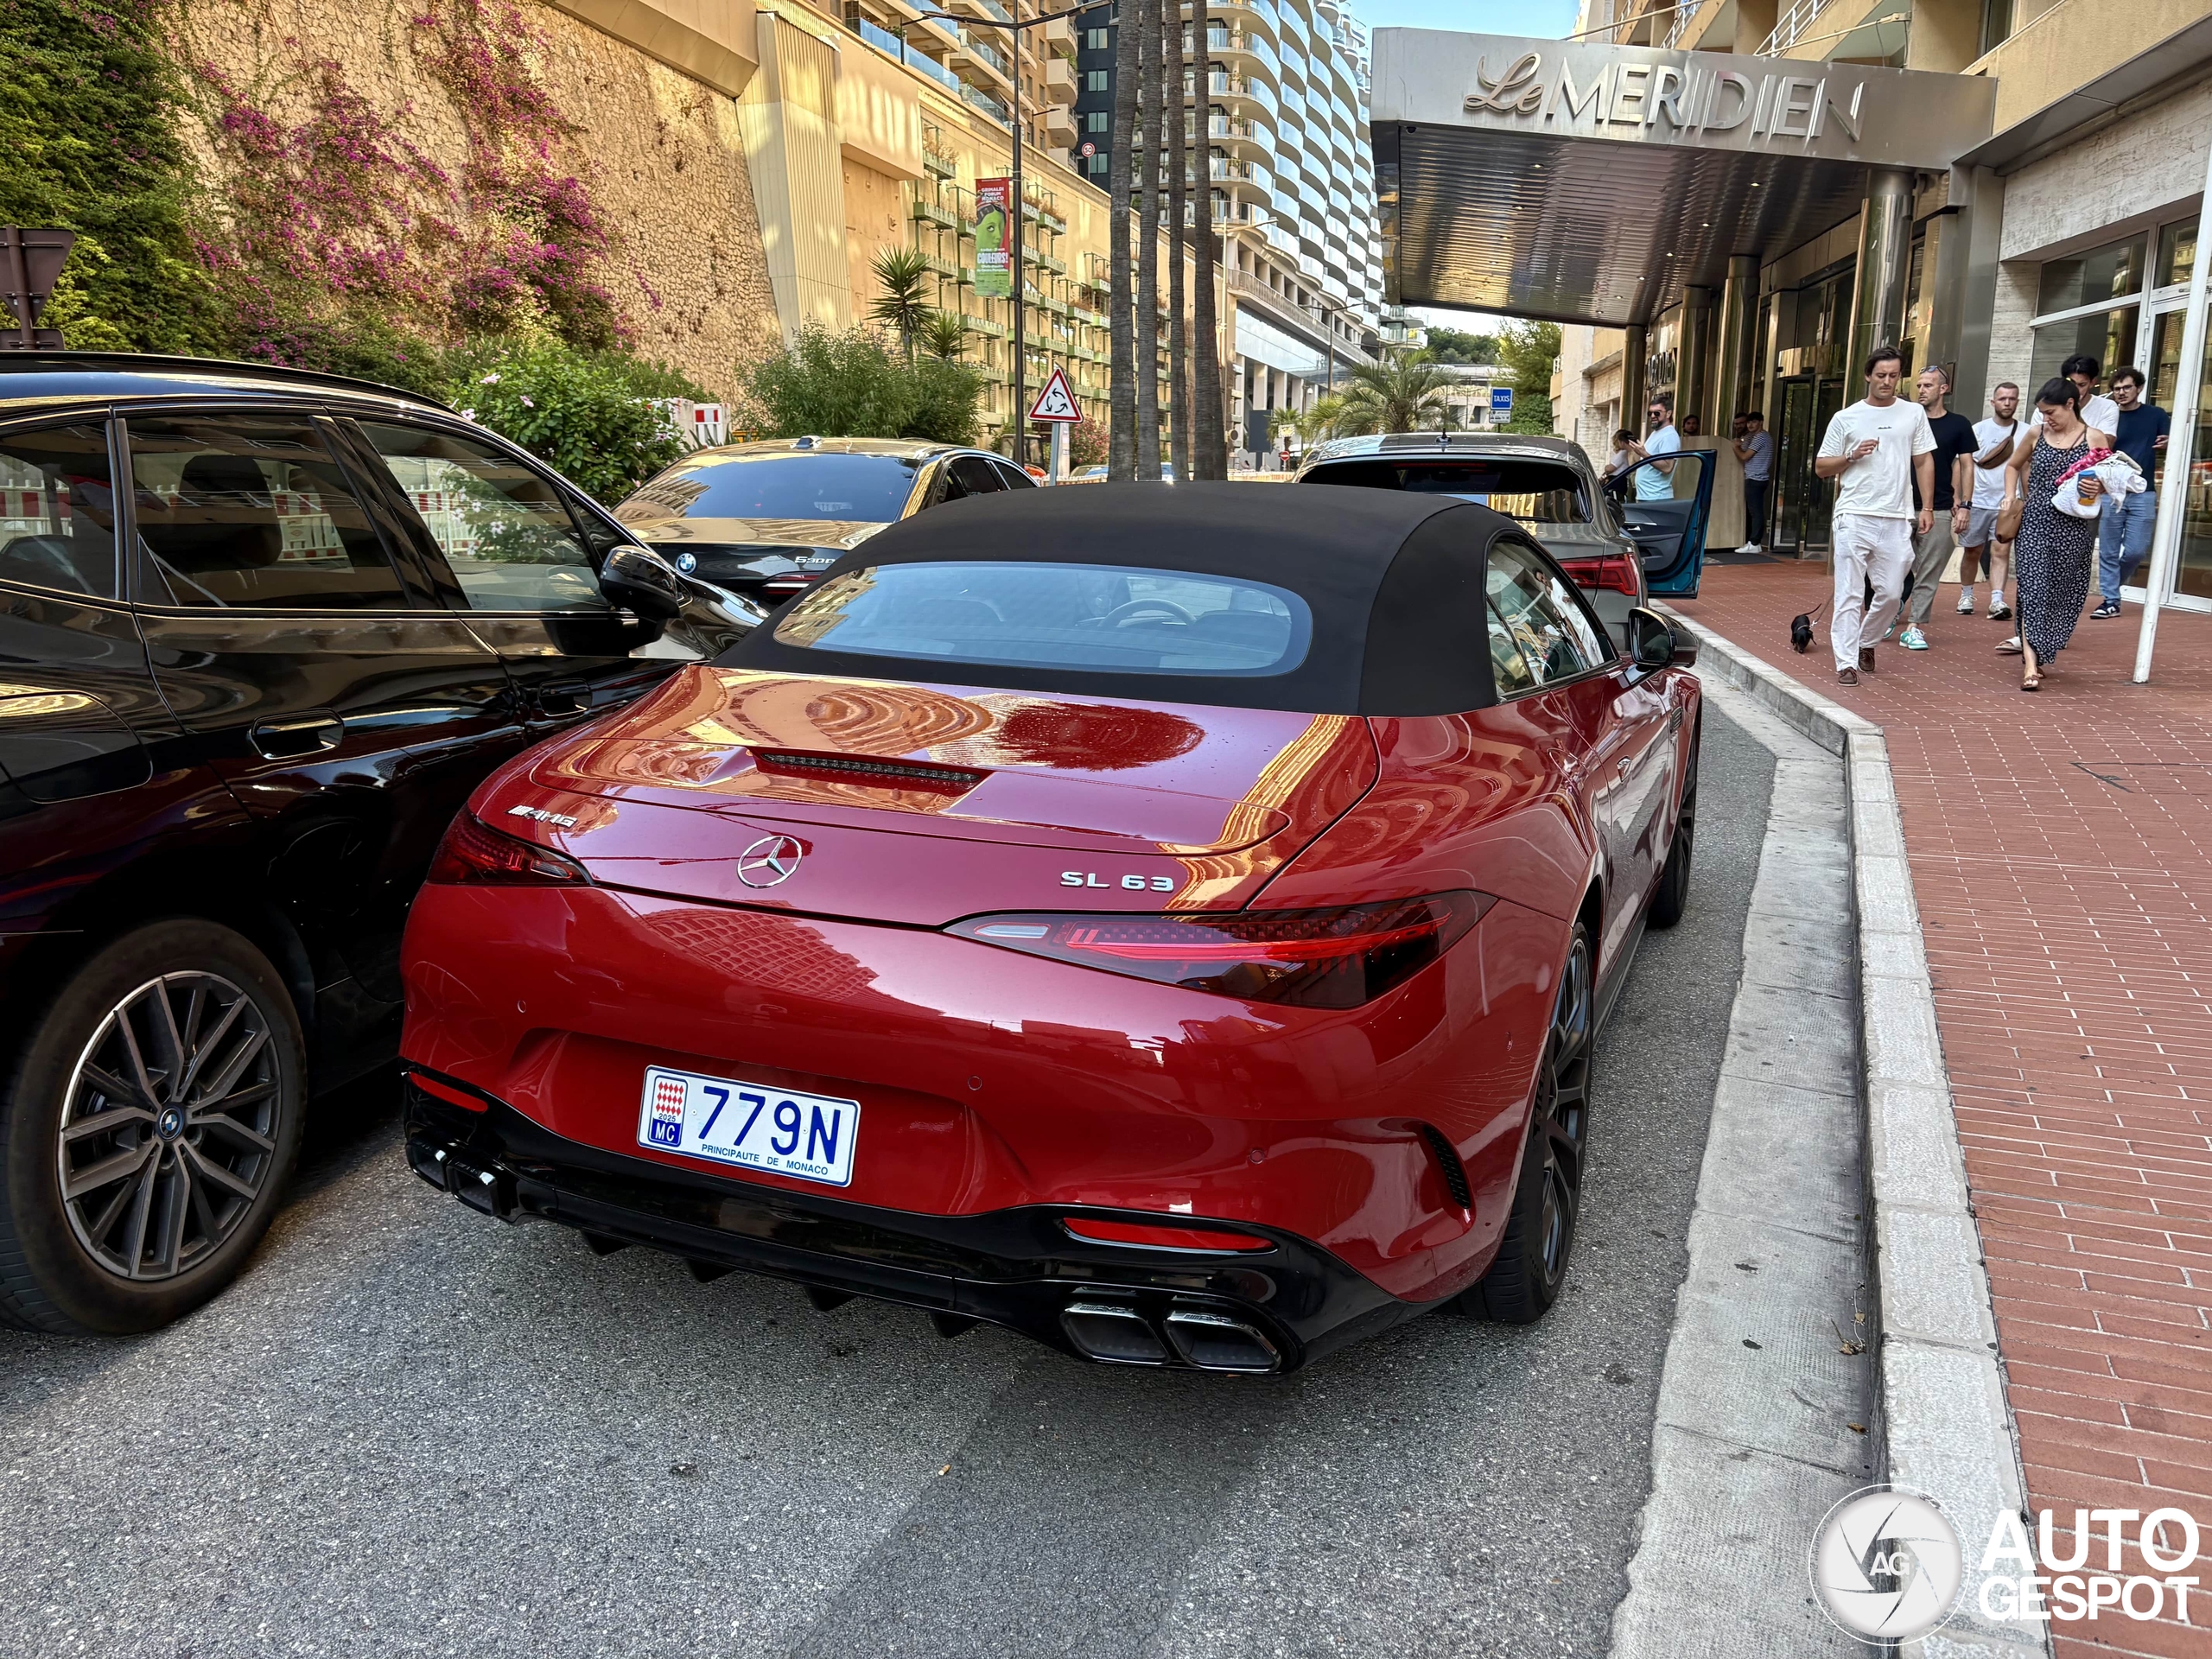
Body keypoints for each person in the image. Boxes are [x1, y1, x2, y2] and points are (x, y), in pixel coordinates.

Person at [1815, 346, 1935, 685]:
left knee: (1892, 593)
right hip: (1854, 513)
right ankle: (1846, 662)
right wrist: (1851, 456)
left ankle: (1867, 641)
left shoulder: (1913, 413)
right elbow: (1822, 467)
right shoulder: (1846, 417)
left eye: (1893, 376)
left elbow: (1924, 460)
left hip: (1896, 515)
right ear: (1868, 375)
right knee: (1850, 593)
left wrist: (1927, 507)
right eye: (1881, 375)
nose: (1887, 381)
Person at [2001, 377, 2101, 690]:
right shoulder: (2036, 433)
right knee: (2033, 589)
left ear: (2070, 404)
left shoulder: (2094, 437)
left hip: (2074, 524)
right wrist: (2010, 496)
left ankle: (2041, 652)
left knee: (2061, 592)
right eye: (2043, 412)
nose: (2046, 418)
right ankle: (2030, 667)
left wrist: (2098, 486)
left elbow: (2109, 477)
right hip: (2035, 520)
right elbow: (2012, 466)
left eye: (2051, 412)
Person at [1897, 365, 1978, 649]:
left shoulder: (1958, 424)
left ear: (1944, 389)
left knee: (1929, 571)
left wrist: (1966, 504)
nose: (1921, 390)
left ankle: (1914, 626)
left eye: (1928, 385)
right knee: (1891, 568)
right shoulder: (1906, 419)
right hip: (1899, 506)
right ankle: (1888, 611)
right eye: (1919, 385)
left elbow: (1967, 465)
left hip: (1940, 507)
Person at [2092, 365, 2169, 618]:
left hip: (2143, 491)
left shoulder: (2156, 415)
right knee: (2109, 550)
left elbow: (2174, 441)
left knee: (2136, 551)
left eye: (2127, 387)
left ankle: (2112, 586)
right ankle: (2111, 600)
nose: (2121, 393)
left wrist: (2169, 441)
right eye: (2117, 389)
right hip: (2110, 491)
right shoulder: (2108, 416)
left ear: (2139, 388)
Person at [1958, 382, 2021, 620]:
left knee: (2001, 551)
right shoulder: (1978, 430)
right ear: (1993, 402)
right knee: (1972, 551)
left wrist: (2024, 500)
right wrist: (1959, 499)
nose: (2007, 403)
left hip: (2007, 504)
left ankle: (1997, 600)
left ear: (2017, 402)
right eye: (2002, 398)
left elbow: (2026, 469)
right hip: (1978, 501)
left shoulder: (2026, 431)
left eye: (2012, 399)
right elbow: (1962, 465)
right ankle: (1966, 595)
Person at [2028, 353, 2119, 447]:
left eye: (2082, 385)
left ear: (2092, 383)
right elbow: (2034, 445)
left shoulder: (2107, 407)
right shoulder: (2044, 410)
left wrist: (2075, 412)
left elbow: (2106, 446)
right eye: (2071, 383)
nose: (2075, 389)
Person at [1734, 410, 1773, 554]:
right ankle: (1753, 542)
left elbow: (1744, 456)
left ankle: (1755, 543)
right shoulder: (1754, 436)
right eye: (1749, 422)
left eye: (1754, 422)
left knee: (1756, 512)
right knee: (1754, 511)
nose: (1750, 425)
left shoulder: (1761, 437)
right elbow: (1744, 447)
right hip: (1755, 478)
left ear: (1761, 422)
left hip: (1756, 478)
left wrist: (1735, 446)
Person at [1637, 392, 1679, 501]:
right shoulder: (1658, 432)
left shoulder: (1669, 435)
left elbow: (1667, 467)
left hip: (1656, 497)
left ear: (1668, 414)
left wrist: (1644, 454)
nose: (1652, 416)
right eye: (1650, 413)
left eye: (1657, 413)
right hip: (1649, 496)